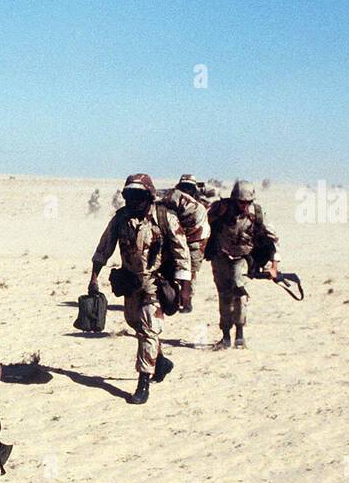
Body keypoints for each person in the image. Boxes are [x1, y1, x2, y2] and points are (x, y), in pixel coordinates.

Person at [88, 173, 192, 404]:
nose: (132, 200)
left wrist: (185, 288)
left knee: (149, 330)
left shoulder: (165, 218)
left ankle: (143, 382)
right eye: (129, 195)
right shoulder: (121, 219)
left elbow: (182, 254)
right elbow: (104, 248)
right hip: (130, 283)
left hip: (156, 283)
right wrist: (94, 278)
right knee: (134, 322)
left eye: (137, 195)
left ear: (149, 196)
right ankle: (161, 362)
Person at [206, 180, 279, 350]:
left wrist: (274, 266)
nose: (244, 205)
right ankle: (225, 336)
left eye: (248, 202)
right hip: (221, 257)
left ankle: (239, 335)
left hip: (243, 258)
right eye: (241, 202)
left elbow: (274, 240)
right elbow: (203, 225)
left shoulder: (257, 214)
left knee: (239, 291)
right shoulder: (220, 209)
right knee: (224, 295)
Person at [159, 174, 210, 313]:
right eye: (184, 186)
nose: (186, 190)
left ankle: (188, 300)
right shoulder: (175, 200)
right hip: (178, 238)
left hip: (195, 241)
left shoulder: (198, 205)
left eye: (189, 187)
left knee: (191, 271)